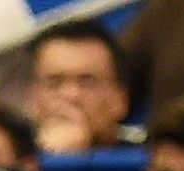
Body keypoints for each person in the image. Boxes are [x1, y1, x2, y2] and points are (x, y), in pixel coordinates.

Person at [26, 19, 133, 154]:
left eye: (87, 82)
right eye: (54, 83)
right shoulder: (6, 166)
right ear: (32, 98)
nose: (71, 95)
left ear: (120, 100)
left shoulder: (152, 165)